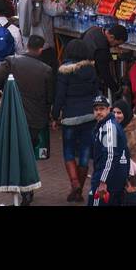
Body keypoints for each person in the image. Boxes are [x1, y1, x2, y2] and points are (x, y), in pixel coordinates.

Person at [0, 33, 54, 161]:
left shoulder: (12, 62)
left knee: (12, 152)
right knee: (28, 154)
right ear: (41, 49)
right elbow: (49, 98)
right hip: (35, 120)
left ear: (27, 46)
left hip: (13, 115)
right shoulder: (46, 70)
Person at [53, 39, 100, 202]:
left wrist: (54, 115)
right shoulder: (91, 70)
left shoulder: (64, 71)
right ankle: (78, 191)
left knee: (68, 151)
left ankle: (75, 184)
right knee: (85, 152)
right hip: (89, 115)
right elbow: (96, 92)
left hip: (70, 116)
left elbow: (60, 95)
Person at [90, 94, 130, 206]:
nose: (98, 112)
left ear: (109, 109)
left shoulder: (108, 127)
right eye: (96, 109)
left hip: (108, 180)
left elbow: (110, 156)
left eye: (102, 109)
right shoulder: (106, 125)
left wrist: (103, 181)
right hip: (114, 177)